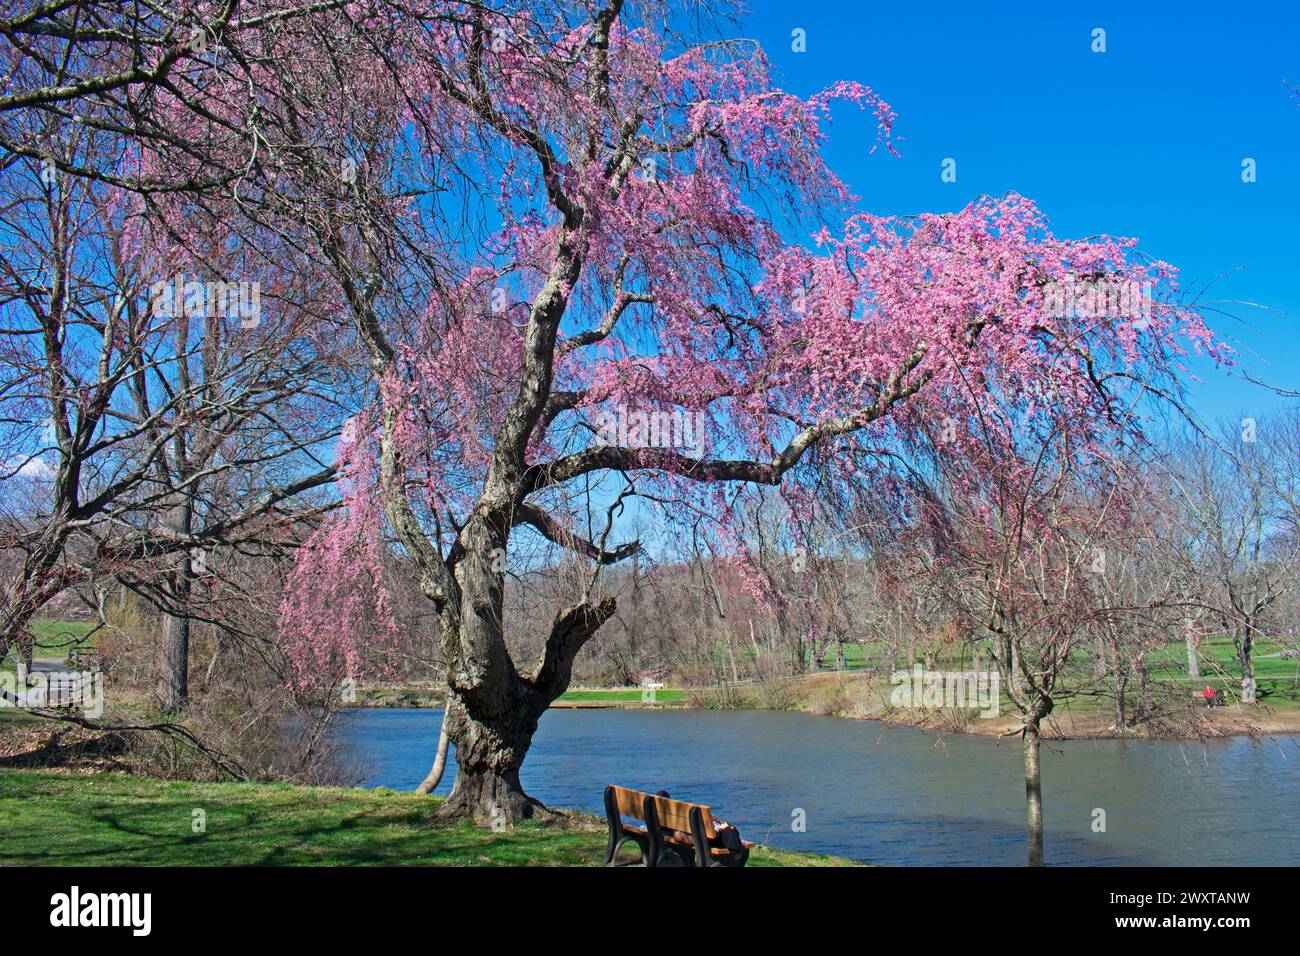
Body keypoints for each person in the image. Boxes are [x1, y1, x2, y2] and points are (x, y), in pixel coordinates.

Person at [654, 790, 744, 851]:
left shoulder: (664, 819)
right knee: (729, 831)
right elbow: (716, 833)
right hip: (708, 836)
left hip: (685, 830)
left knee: (662, 793)